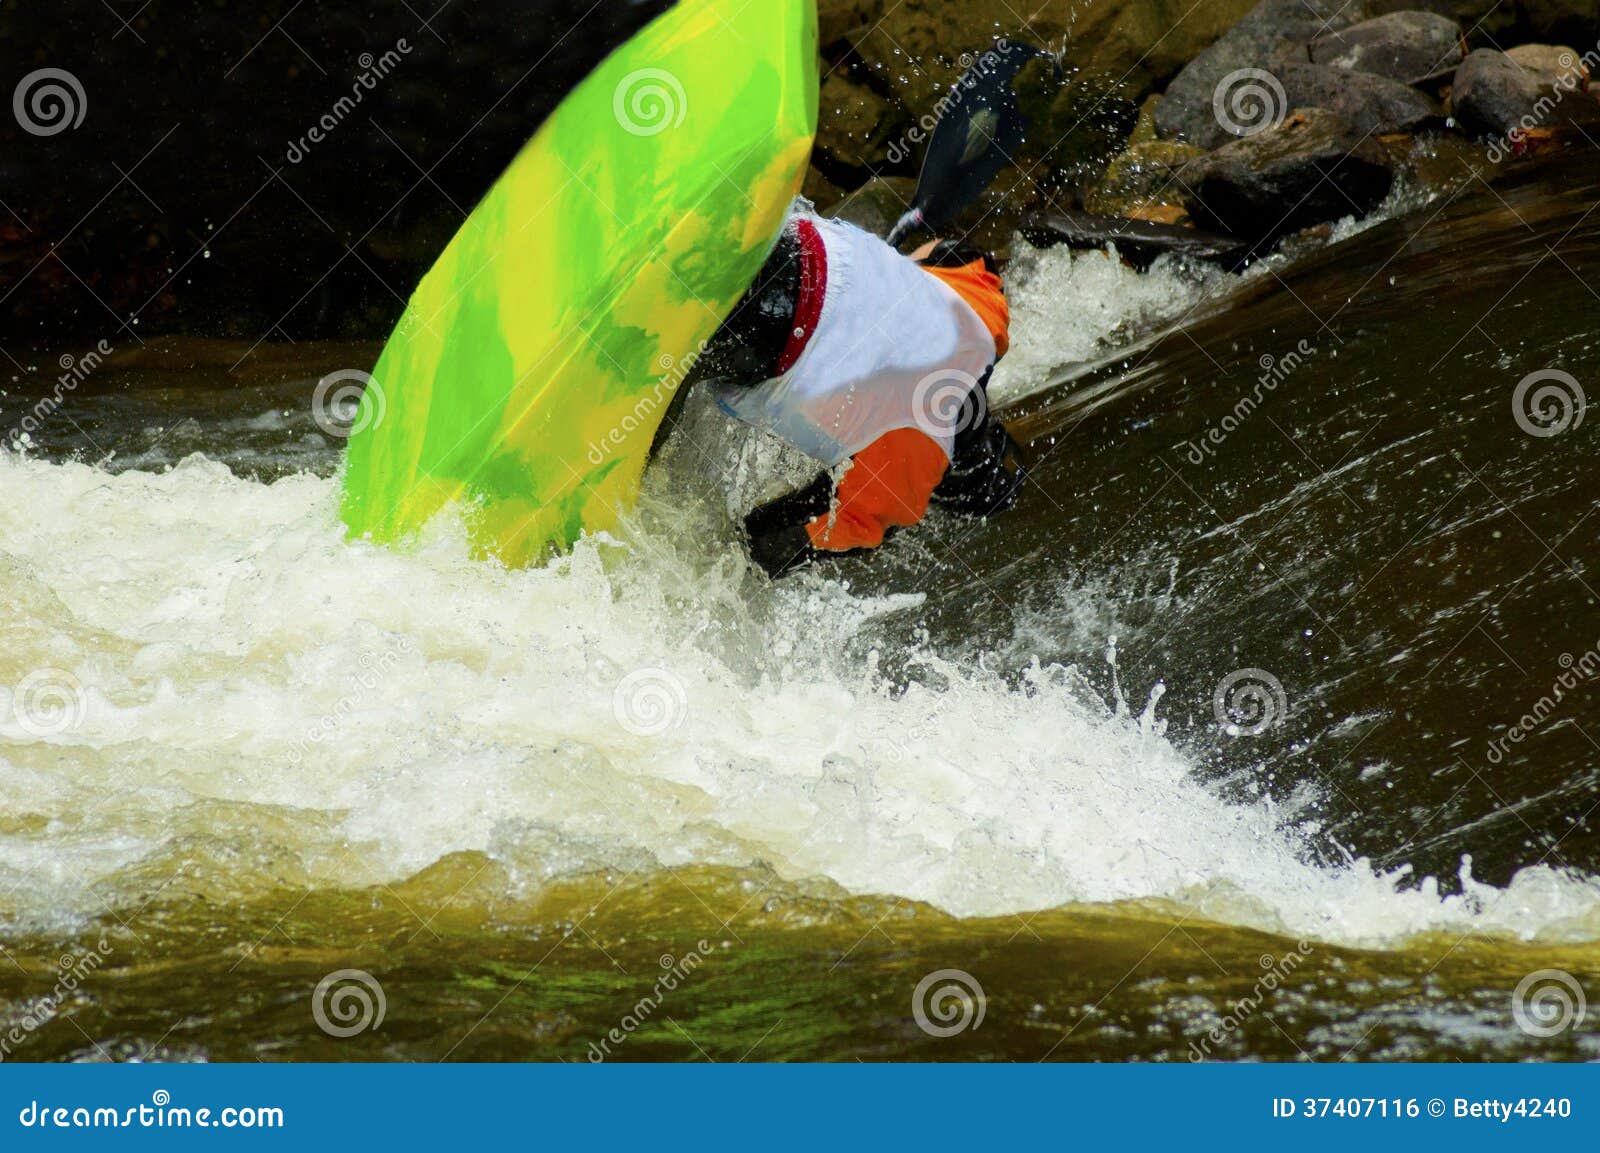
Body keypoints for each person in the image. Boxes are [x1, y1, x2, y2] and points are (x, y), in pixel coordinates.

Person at [697, 206, 1026, 578]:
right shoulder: (902, 491)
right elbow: (766, 544)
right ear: (946, 491)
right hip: (759, 338)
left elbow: (946, 248)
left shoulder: (986, 315)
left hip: (801, 244)